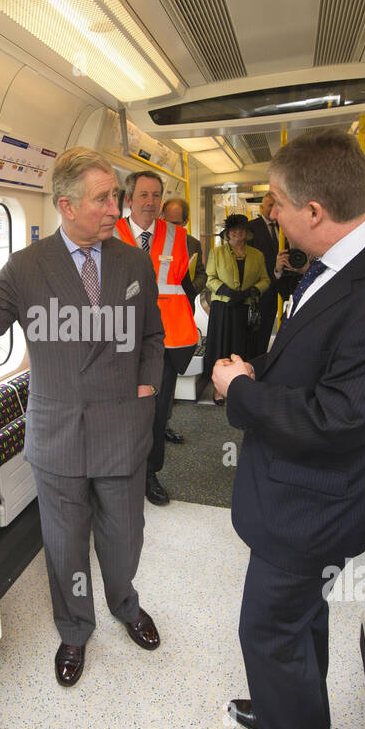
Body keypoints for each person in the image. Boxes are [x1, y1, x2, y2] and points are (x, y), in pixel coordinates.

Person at [211, 129, 365, 729]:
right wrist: (261, 369)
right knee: (299, 620)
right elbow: (317, 360)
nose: (272, 216)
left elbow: (337, 417)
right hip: (301, 494)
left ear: (314, 212)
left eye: (278, 204)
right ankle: (289, 707)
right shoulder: (338, 263)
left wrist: (239, 392)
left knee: (267, 629)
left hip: (317, 505)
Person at [0, 147, 164, 688]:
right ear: (66, 204)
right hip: (58, 430)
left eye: (117, 196)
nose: (118, 207)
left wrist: (147, 385)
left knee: (125, 533)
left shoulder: (132, 260)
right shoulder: (28, 266)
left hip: (123, 423)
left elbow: (152, 333)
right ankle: (75, 628)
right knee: (64, 544)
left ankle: (125, 603)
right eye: (104, 198)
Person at [115, 171, 197, 506]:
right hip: (119, 338)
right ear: (129, 199)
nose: (151, 202)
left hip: (165, 339)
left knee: (157, 410)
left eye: (156, 195)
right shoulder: (109, 232)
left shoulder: (179, 236)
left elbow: (182, 284)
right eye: (144, 195)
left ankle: (150, 473)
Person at [204, 213, 268, 402]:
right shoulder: (216, 253)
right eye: (233, 231)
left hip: (245, 308)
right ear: (227, 234)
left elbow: (265, 279)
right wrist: (227, 292)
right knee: (222, 349)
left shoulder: (257, 255)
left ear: (247, 233)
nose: (237, 233)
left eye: (241, 230)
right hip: (224, 308)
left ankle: (242, 388)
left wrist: (252, 291)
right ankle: (218, 390)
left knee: (243, 348)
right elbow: (210, 278)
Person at [160, 196, 204, 445]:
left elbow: (202, 275)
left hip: (179, 316)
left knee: (169, 377)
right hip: (154, 317)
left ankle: (164, 423)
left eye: (177, 223)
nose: (172, 227)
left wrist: (188, 289)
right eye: (168, 221)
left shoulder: (192, 243)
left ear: (185, 222)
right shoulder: (153, 241)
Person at [248, 192, 305, 357]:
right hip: (262, 289)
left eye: (276, 206)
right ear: (262, 207)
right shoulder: (251, 229)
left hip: (286, 286)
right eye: (269, 206)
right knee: (257, 334)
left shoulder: (287, 227)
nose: (273, 210)